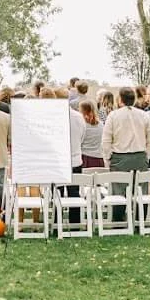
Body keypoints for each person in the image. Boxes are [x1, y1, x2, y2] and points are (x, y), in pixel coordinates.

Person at [100, 86, 150, 221]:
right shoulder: (144, 115)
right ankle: (139, 218)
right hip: (139, 156)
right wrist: (146, 156)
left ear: (120, 99)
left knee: (118, 190)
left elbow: (106, 140)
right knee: (141, 188)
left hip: (120, 157)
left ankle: (118, 219)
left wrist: (108, 158)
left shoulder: (113, 116)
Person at [65, 89, 85, 223]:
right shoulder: (78, 116)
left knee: (58, 192)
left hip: (60, 160)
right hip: (75, 158)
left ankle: (57, 220)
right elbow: (83, 135)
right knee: (74, 191)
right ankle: (75, 220)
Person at [79, 100, 104, 169]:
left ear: (83, 112)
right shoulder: (101, 124)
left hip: (85, 159)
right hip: (99, 160)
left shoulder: (82, 125)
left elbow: (79, 142)